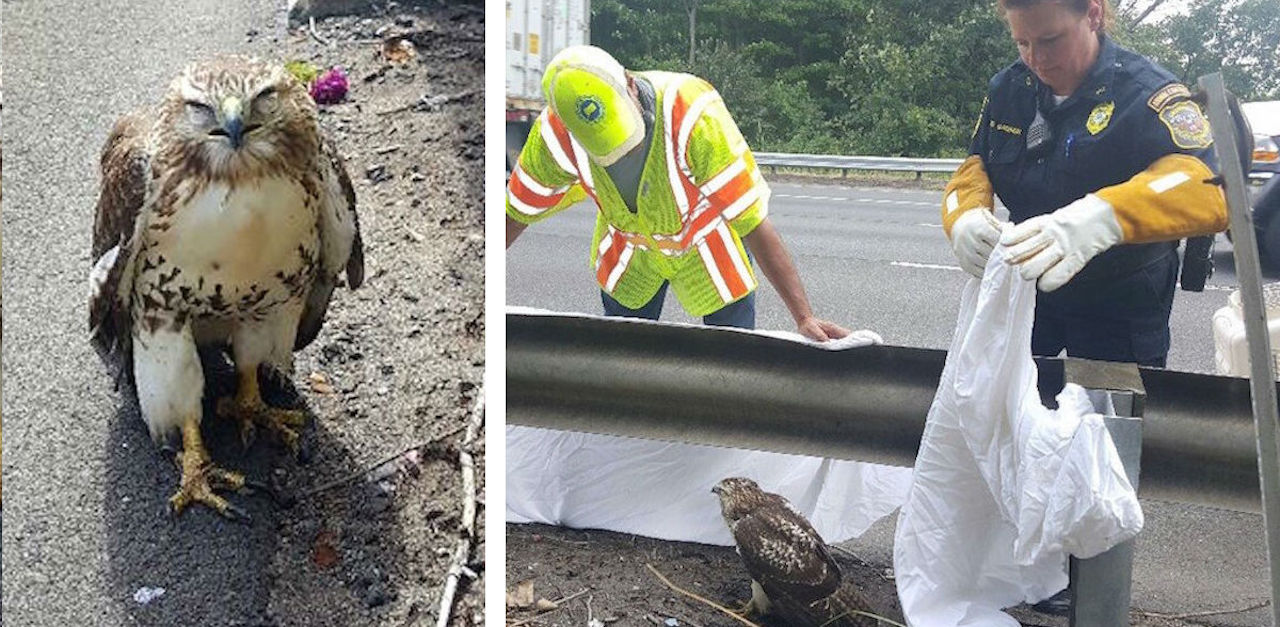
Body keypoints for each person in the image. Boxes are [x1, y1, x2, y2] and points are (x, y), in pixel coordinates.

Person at [943, 0, 1228, 368]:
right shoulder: (1010, 88)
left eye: (1050, 40)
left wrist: (1103, 218)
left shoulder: (1146, 94)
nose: (1036, 59)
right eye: (1022, 43)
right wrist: (963, 217)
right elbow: (975, 164)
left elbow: (1211, 187)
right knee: (1009, 409)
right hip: (1030, 289)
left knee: (1108, 417)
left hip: (1120, 300)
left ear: (1093, 15)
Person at [506, 45, 850, 342]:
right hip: (631, 254)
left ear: (629, 85)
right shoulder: (553, 136)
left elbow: (752, 220)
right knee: (623, 357)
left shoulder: (694, 114)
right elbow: (515, 212)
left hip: (708, 248)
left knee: (733, 354)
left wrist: (803, 317)